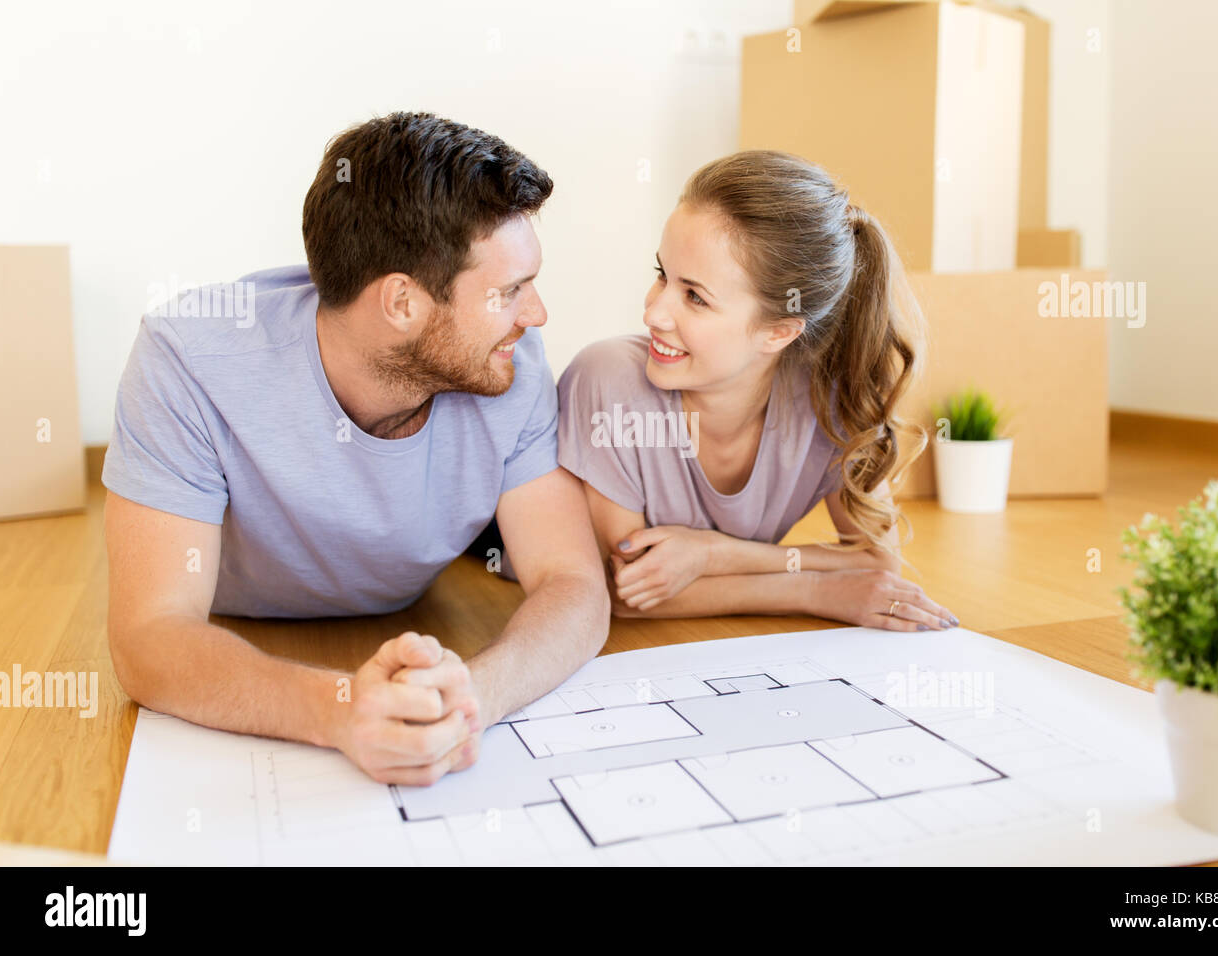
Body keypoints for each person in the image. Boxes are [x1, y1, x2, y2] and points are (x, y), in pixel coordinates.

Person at [102, 112, 609, 787]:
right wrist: (339, 710)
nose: (537, 313)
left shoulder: (511, 361)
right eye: (510, 290)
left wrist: (469, 698)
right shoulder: (186, 358)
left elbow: (573, 584)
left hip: (414, 613)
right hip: (242, 627)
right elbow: (148, 638)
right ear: (401, 302)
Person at [557, 150, 957, 630]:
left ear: (779, 332)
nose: (653, 314)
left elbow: (876, 562)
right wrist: (811, 589)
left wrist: (710, 553)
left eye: (695, 296)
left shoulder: (828, 399)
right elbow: (628, 590)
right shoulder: (607, 381)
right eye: (662, 274)